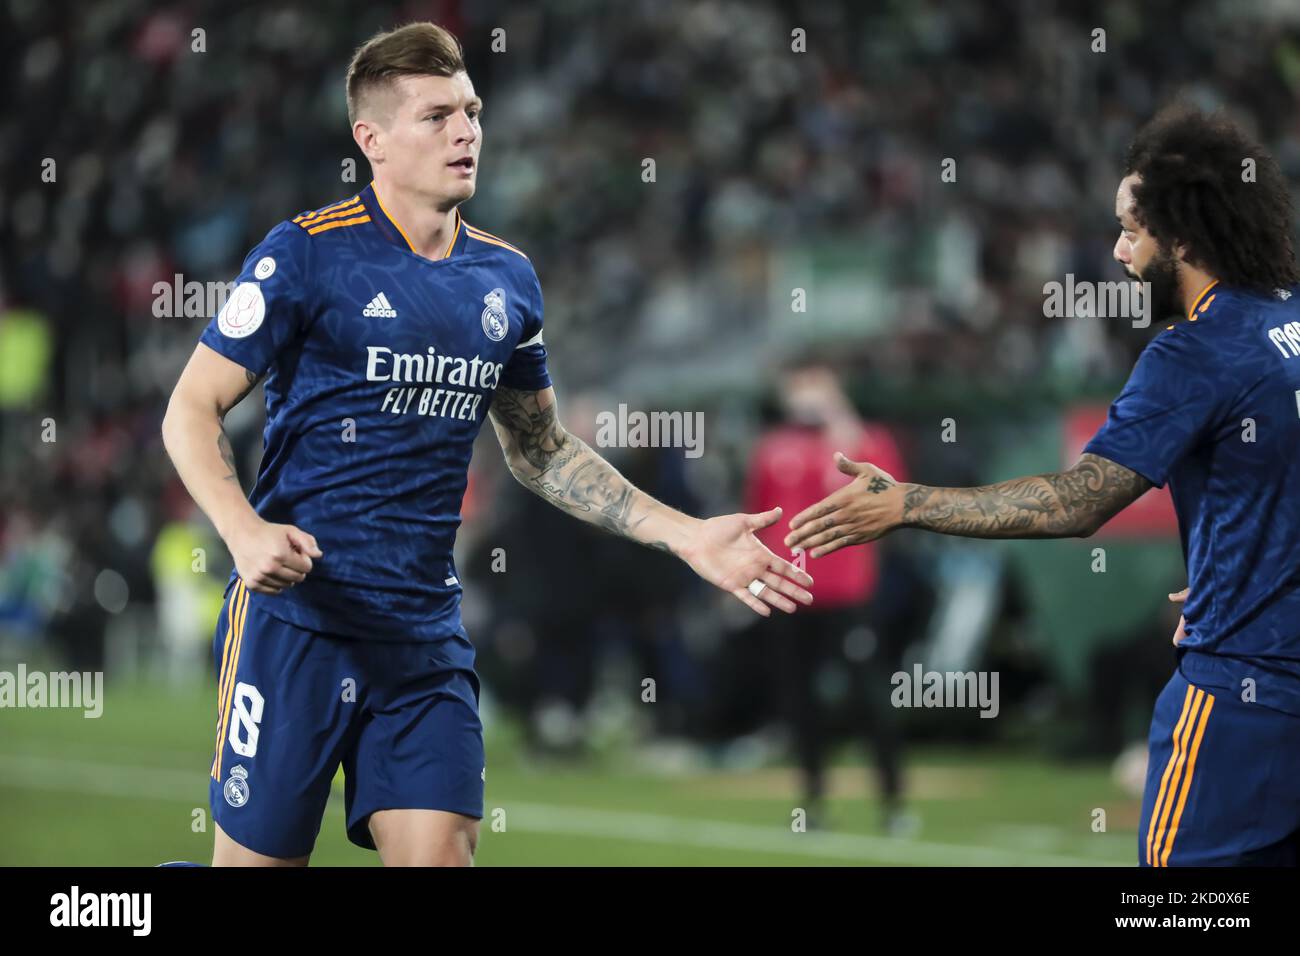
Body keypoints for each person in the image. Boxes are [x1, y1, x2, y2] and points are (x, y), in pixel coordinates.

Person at [161, 22, 813, 867]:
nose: (466, 131)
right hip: (298, 626)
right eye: (435, 116)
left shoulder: (507, 281)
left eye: (471, 111)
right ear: (373, 141)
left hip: (423, 637)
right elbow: (189, 410)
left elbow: (539, 449)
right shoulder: (305, 255)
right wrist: (244, 531)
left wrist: (689, 536)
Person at [786, 105, 1300, 866]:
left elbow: (1077, 501)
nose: (1120, 252)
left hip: (1242, 698)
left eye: (1132, 230)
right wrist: (1265, 569)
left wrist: (908, 503)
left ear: (1184, 237)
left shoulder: (1192, 352)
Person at [744, 363, 908, 831]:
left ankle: (892, 803)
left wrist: (841, 418)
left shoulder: (860, 441)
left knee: (868, 696)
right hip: (791, 594)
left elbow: (890, 492)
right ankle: (811, 803)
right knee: (799, 700)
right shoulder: (774, 447)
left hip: (848, 594)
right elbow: (758, 517)